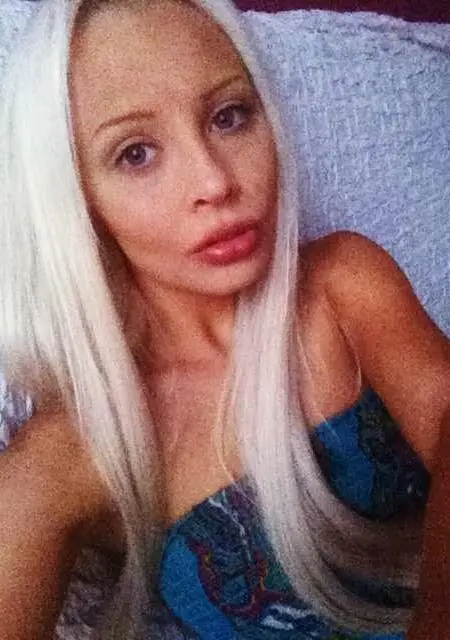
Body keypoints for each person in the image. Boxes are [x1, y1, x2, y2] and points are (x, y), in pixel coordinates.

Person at [0, 0, 449, 638]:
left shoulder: (342, 285)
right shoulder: (72, 451)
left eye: (229, 116)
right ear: (76, 200)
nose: (214, 181)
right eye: (135, 153)